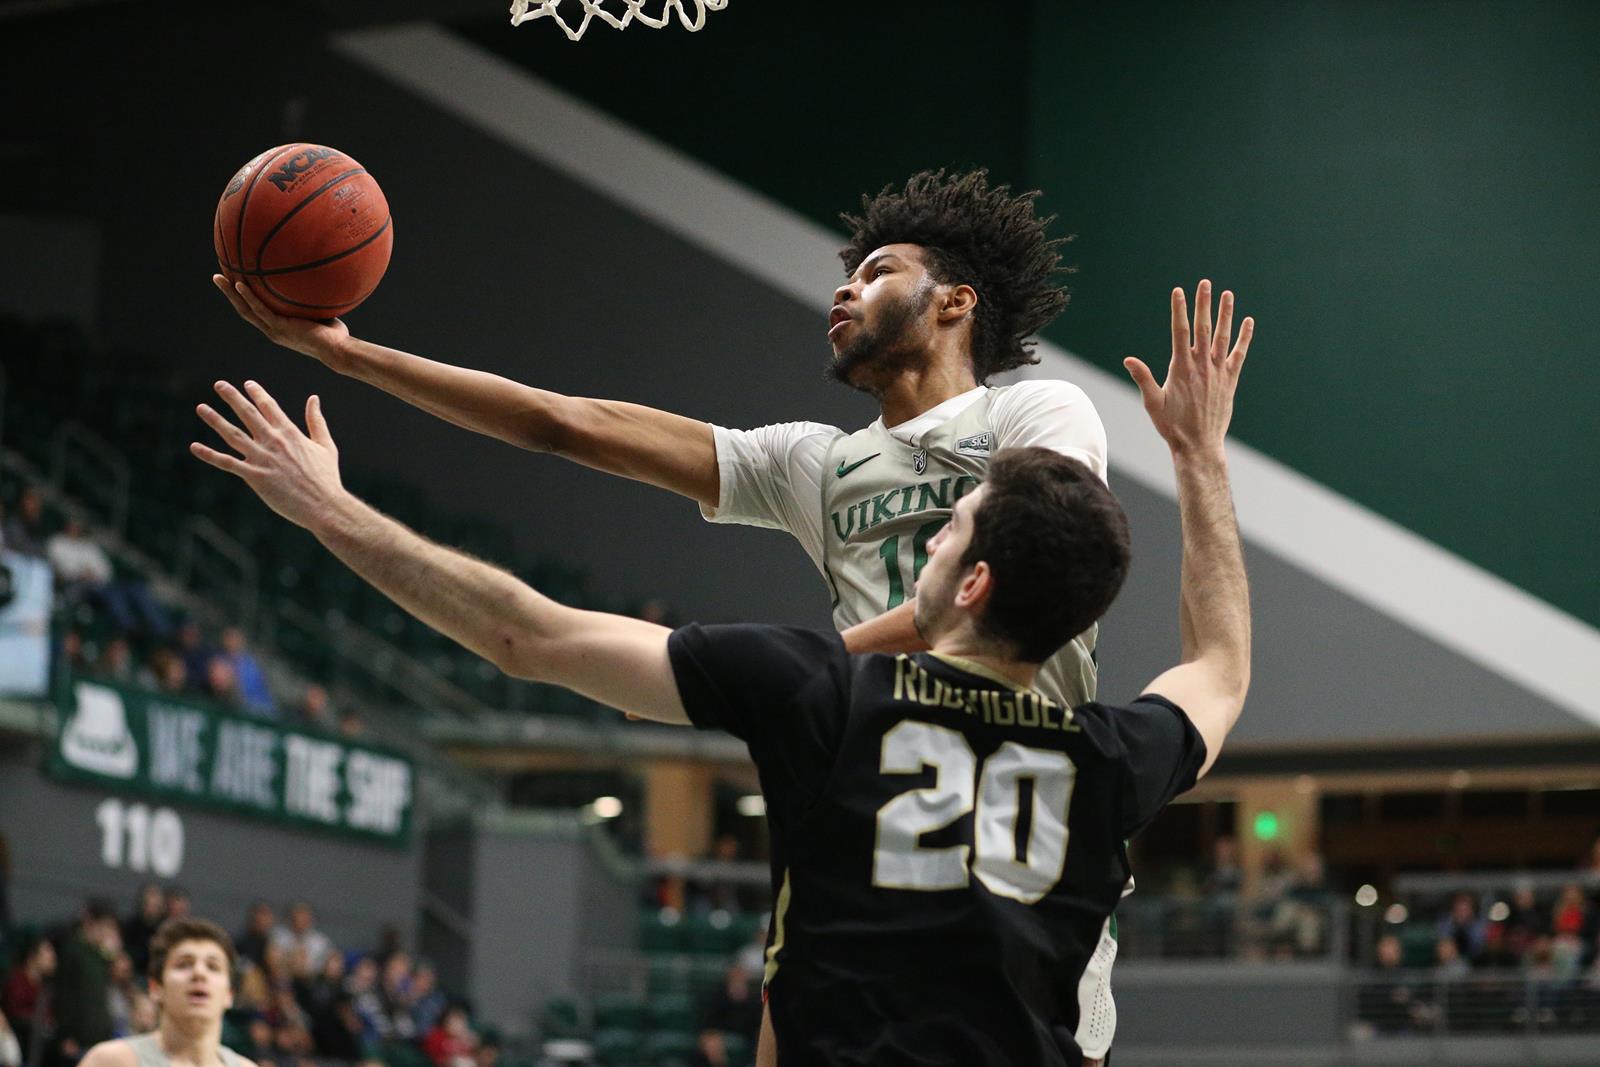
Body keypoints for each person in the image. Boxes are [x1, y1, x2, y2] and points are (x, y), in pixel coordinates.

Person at [192, 279, 1254, 1065]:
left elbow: (529, 635)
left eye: (948, 533)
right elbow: (1219, 666)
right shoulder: (1114, 754)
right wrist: (1201, 458)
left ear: (970, 581)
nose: (928, 540)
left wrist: (326, 506)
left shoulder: (821, 691)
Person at [74, 918, 256, 1067]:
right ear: (156, 988)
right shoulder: (111, 1061)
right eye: (184, 964)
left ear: (229, 994)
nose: (199, 973)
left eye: (213, 966)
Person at [54, 899, 122, 1063]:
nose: (107, 932)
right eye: (104, 926)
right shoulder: (72, 951)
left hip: (101, 1038)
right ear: (90, 922)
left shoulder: (101, 956)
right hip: (77, 1041)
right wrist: (66, 1035)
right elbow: (64, 995)